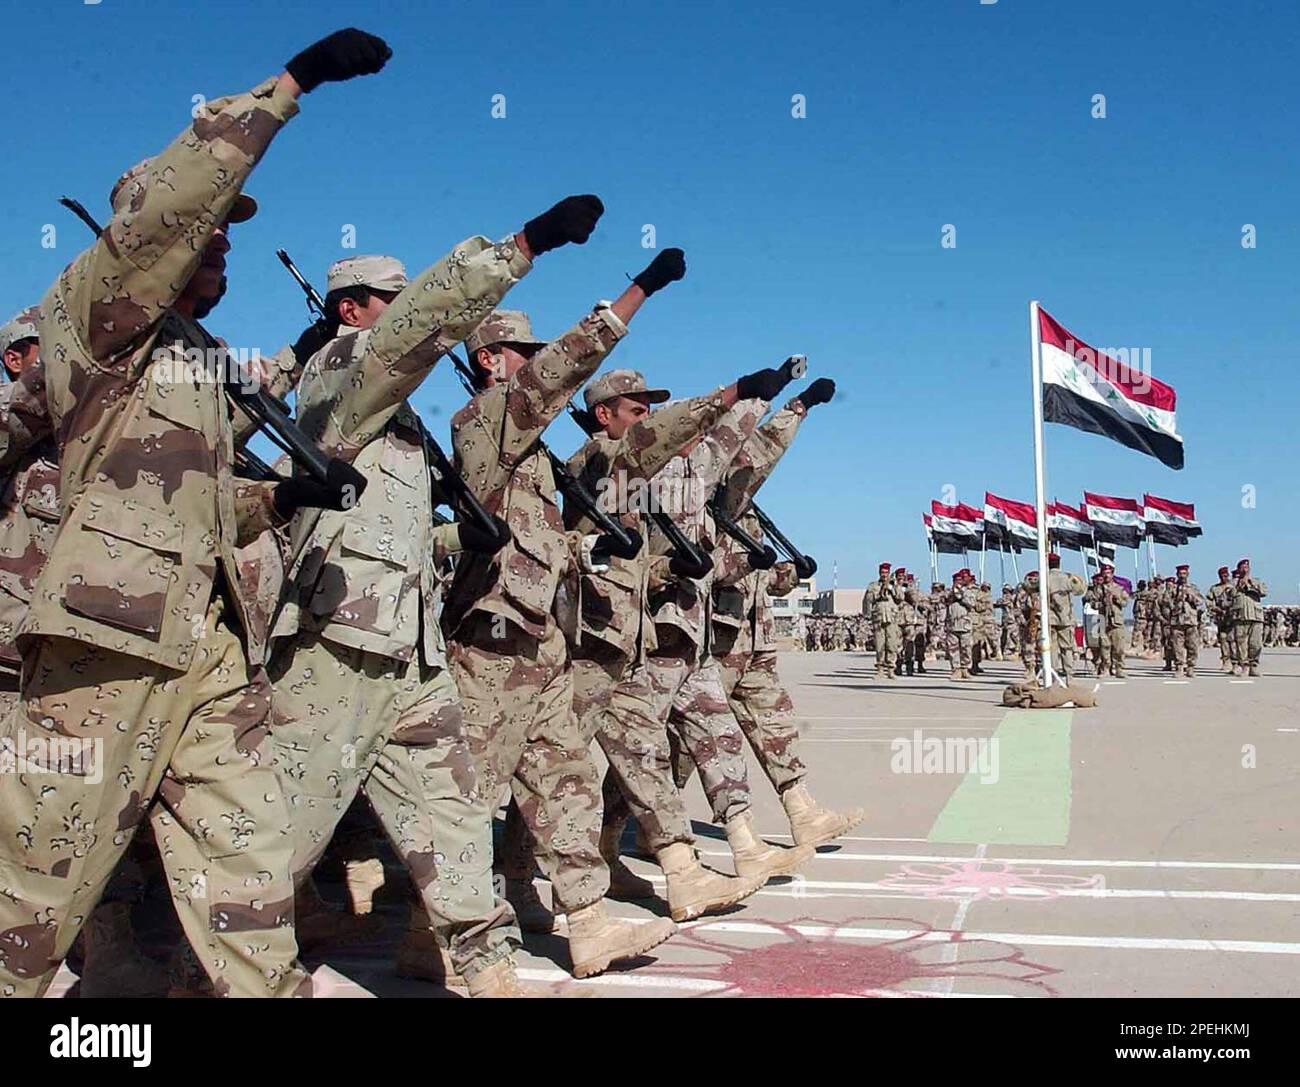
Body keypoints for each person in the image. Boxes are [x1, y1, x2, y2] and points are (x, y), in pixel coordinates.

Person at [0, 28, 390, 998]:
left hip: (213, 648)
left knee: (250, 881)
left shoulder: (197, 360)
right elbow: (170, 207)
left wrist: (283, 495)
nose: (224, 239)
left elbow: (202, 512)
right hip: (106, 646)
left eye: (230, 228)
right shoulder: (96, 316)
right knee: (31, 903)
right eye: (211, 224)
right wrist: (290, 85)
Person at [267, 218, 581, 996]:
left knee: (456, 810)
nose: (406, 313)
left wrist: (449, 540)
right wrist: (523, 246)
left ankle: (488, 963)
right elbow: (424, 324)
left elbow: (385, 522)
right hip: (335, 645)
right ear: (351, 310)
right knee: (284, 830)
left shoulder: (394, 409)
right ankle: (212, 970)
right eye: (391, 302)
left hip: (407, 647)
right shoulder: (344, 368)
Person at [443, 242, 690, 979]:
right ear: (492, 360)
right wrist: (638, 288)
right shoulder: (484, 420)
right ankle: (429, 942)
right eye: (522, 351)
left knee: (566, 781)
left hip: (540, 639)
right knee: (471, 800)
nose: (534, 360)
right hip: (489, 644)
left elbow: (537, 538)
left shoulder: (533, 456)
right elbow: (566, 368)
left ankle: (586, 924)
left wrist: (580, 559)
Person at [564, 362, 794, 919]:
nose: (651, 423)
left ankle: (721, 850)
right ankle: (526, 884)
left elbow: (733, 450)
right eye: (639, 412)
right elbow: (585, 553)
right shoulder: (594, 465)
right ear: (604, 415)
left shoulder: (642, 476)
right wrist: (740, 393)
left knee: (676, 741)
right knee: (562, 765)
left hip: (648, 636)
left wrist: (782, 406)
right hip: (599, 640)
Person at [1229, 559, 1267, 677]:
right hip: (1240, 616)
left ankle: (1253, 665)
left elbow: (1264, 592)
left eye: (1246, 567)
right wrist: (1239, 584)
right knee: (1241, 644)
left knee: (1256, 644)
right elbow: (1229, 595)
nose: (1245, 569)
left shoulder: (1256, 581)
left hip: (1255, 616)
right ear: (1238, 569)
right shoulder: (1232, 583)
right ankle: (1244, 665)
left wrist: (1250, 582)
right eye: (1242, 567)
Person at [1168, 564, 1205, 679]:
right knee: (1177, 647)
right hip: (1177, 621)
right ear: (1177, 575)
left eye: (1184, 574)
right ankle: (1179, 667)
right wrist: (1175, 598)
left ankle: (1190, 667)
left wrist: (1190, 596)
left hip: (1190, 621)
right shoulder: (1172, 588)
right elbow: (1164, 601)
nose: (1182, 576)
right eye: (1180, 574)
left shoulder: (1193, 587)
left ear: (1188, 574)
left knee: (1192, 646)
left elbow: (1200, 601)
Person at [1098, 563, 1130, 677]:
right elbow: (1092, 603)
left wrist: (1117, 599)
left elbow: (1125, 602)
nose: (1106, 575)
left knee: (1118, 647)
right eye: (1104, 573)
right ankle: (1106, 668)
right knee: (1104, 647)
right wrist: (1101, 602)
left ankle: (1119, 668)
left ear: (1112, 574)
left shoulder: (1119, 588)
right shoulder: (1099, 589)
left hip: (1116, 620)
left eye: (1108, 573)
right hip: (1103, 620)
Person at [1205, 566, 1236, 673]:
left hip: (1233, 617)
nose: (1225, 577)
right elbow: (1208, 601)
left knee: (1233, 640)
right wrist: (1216, 609)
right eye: (1223, 576)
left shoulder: (1233, 587)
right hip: (1222, 617)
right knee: (1223, 639)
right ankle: (1225, 660)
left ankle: (1235, 662)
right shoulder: (1215, 589)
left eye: (1226, 575)